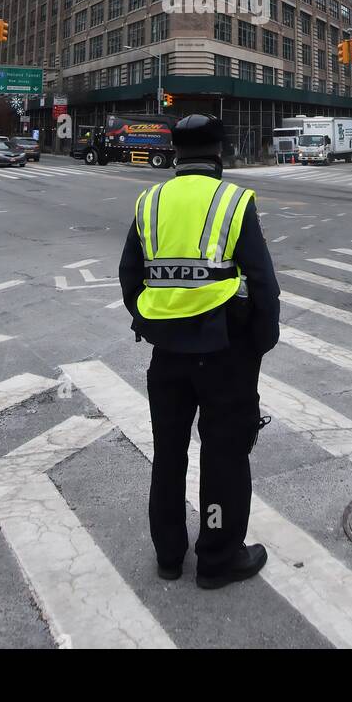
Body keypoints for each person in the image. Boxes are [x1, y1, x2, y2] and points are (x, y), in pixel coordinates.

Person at [118, 113, 281, 589]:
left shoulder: (150, 201)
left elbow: (130, 276)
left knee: (168, 455)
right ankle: (216, 558)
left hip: (166, 356)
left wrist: (151, 322)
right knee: (223, 457)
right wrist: (259, 343)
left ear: (175, 154)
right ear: (218, 155)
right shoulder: (233, 201)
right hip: (224, 354)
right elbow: (264, 284)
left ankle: (169, 555)